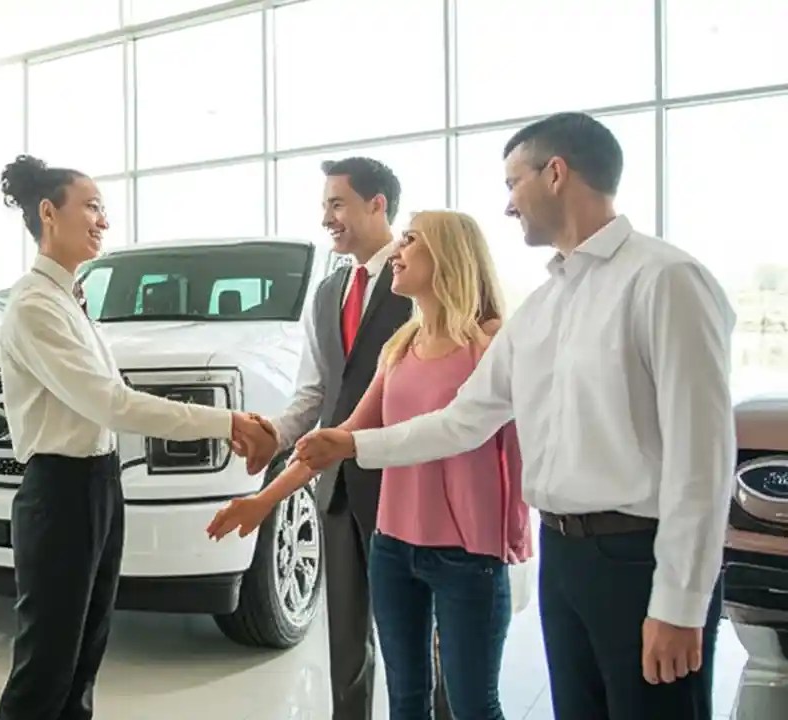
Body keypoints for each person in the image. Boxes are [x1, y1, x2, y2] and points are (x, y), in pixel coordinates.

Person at [287, 113, 736, 720]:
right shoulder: (545, 306)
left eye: (512, 183)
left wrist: (681, 602)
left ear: (556, 173)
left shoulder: (665, 280)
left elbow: (702, 457)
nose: (506, 206)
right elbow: (462, 420)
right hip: (563, 555)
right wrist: (352, 447)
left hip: (640, 557)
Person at [211, 209, 532, 720]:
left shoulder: (491, 346)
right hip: (394, 547)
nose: (397, 252)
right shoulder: (399, 347)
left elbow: (451, 430)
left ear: (448, 254)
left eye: (410, 240)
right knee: (406, 698)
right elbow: (338, 439)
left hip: (468, 556)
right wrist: (262, 501)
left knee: (473, 704)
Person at [0, 154, 278, 720]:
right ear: (49, 213)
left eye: (105, 209)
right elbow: (110, 402)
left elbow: (109, 398)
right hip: (59, 492)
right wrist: (227, 423)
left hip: (98, 482)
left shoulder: (70, 299)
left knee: (85, 655)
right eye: (93, 207)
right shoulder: (33, 305)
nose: (103, 220)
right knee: (46, 666)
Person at [241, 157, 451, 720]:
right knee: (346, 636)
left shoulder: (420, 278)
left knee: (424, 634)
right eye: (325, 205)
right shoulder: (328, 289)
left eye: (337, 203)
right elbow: (315, 392)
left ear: (377, 204)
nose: (327, 217)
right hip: (336, 485)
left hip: (407, 480)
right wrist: (278, 433)